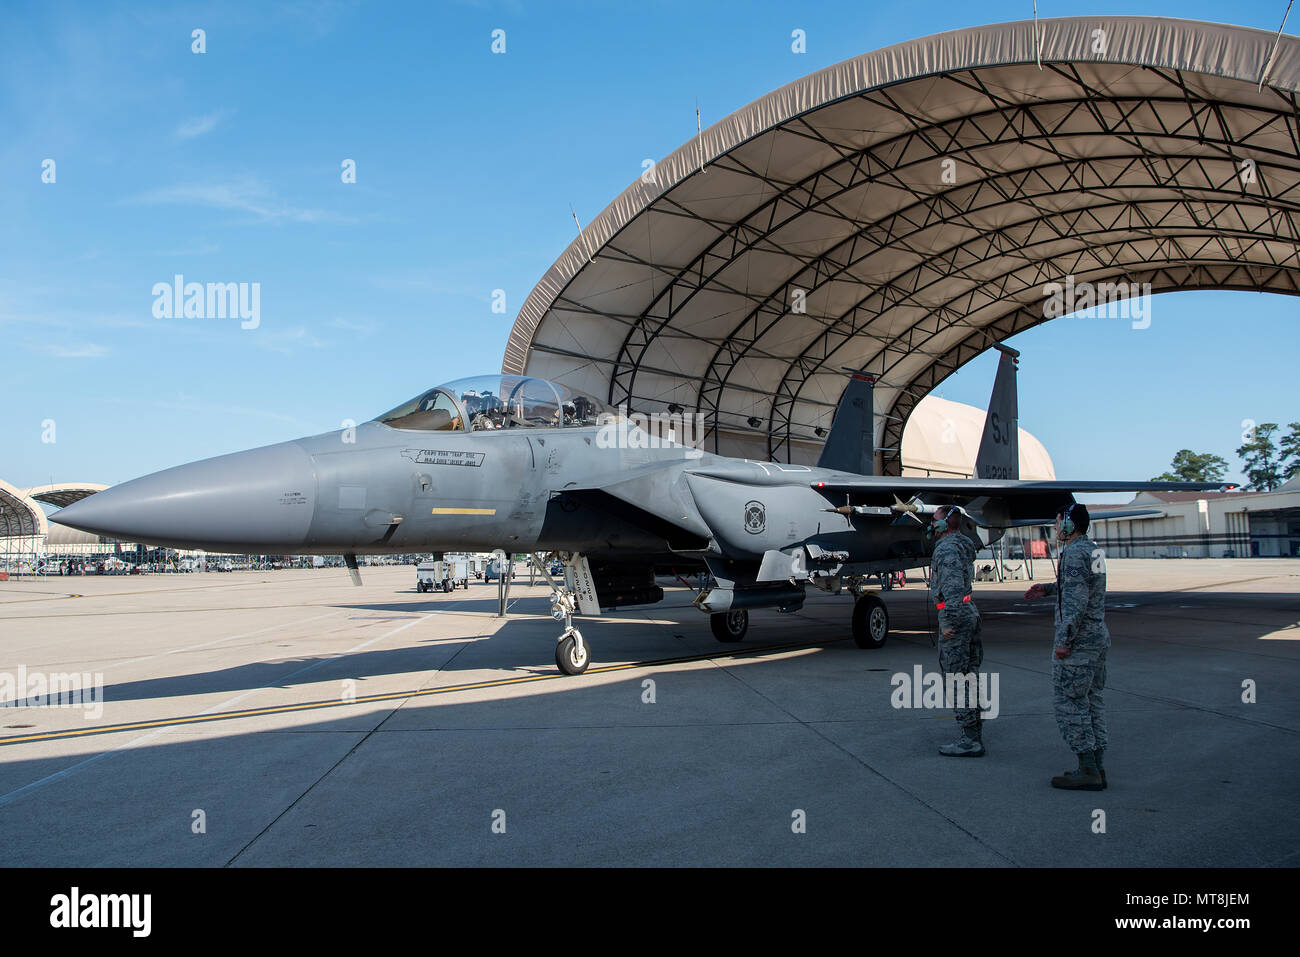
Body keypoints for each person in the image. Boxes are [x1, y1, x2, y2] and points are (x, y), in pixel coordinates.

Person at [1024, 503, 1108, 790]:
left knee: (1070, 703)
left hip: (1079, 644)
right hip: (1097, 638)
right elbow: (1084, 586)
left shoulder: (1073, 554)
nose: (1056, 527)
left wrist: (1064, 642)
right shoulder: (1093, 550)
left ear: (1070, 525)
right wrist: (1048, 589)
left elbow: (1076, 603)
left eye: (1059, 522)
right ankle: (1097, 765)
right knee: (1092, 702)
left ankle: (1087, 770)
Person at [929, 504, 984, 756]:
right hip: (968, 610)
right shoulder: (963, 544)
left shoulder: (947, 549)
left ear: (943, 525)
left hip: (956, 615)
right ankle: (974, 731)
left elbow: (951, 587)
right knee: (969, 674)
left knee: (955, 679)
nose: (931, 523)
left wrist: (948, 621)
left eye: (934, 520)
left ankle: (969, 740)